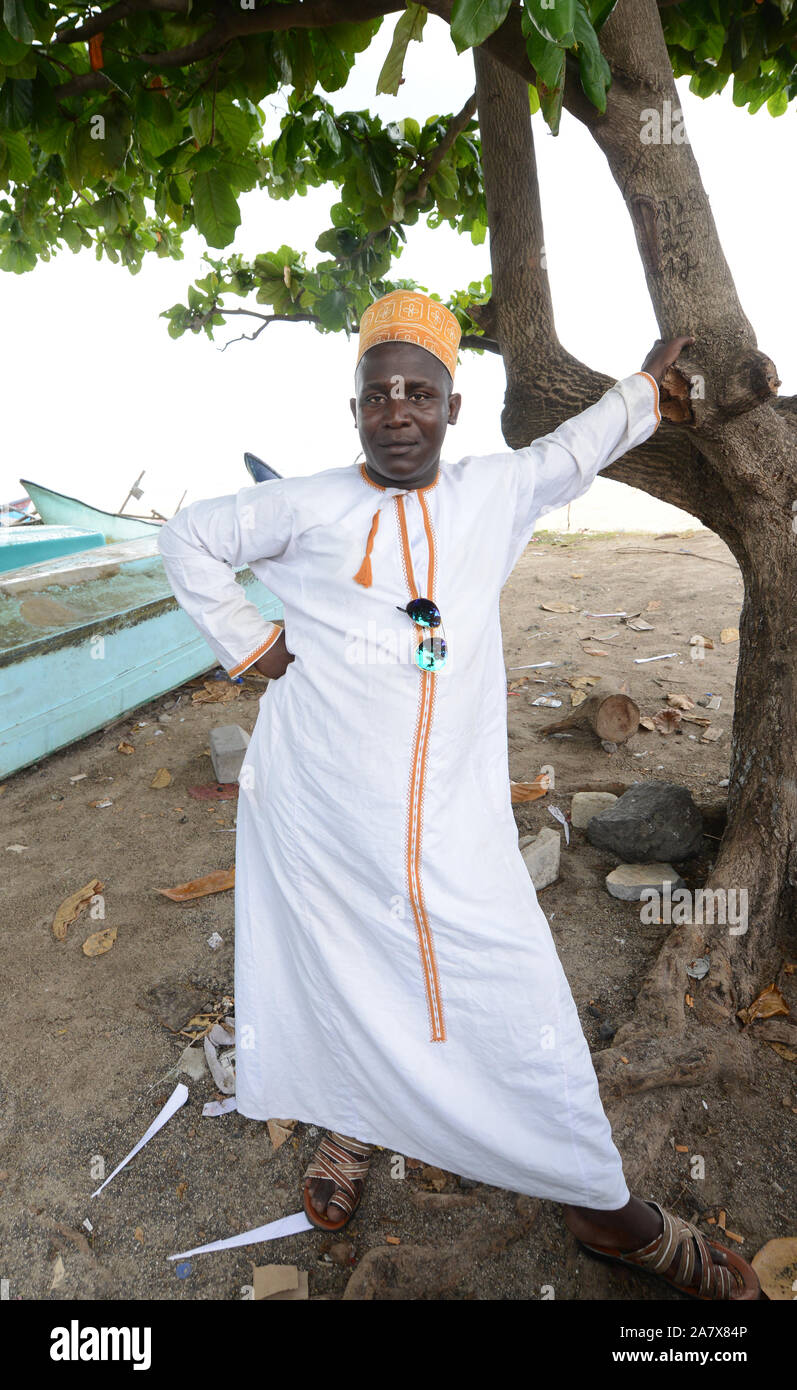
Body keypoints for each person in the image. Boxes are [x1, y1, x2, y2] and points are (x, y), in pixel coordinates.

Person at [157, 290, 760, 1301]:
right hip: (319, 814)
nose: (397, 409)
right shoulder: (303, 503)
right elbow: (187, 539)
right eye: (377, 392)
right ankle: (354, 1122)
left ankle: (600, 1209)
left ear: (452, 404)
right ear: (355, 408)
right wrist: (255, 647)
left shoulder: (493, 488)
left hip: (452, 819)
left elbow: (577, 447)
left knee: (507, 983)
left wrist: (645, 392)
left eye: (419, 392)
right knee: (343, 974)